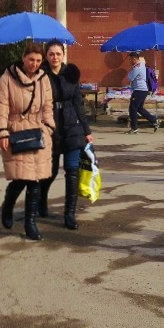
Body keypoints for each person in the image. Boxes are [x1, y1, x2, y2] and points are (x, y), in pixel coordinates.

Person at [0, 44, 55, 240]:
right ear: (23, 57)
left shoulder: (43, 79)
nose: (34, 64)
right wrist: (2, 132)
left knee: (35, 179)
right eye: (31, 60)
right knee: (20, 179)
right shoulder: (7, 78)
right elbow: (2, 107)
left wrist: (49, 128)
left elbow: (48, 106)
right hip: (16, 131)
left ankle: (30, 222)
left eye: (38, 61)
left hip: (38, 132)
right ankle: (8, 206)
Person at [41, 40, 94, 230]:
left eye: (58, 54)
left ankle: (69, 214)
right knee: (50, 171)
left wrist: (87, 131)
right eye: (51, 54)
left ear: (63, 55)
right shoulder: (41, 76)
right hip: (50, 128)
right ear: (46, 56)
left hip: (72, 128)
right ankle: (41, 200)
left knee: (72, 172)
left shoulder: (71, 75)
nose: (55, 57)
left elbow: (78, 103)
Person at [125, 51, 159, 134]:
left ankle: (134, 128)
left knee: (132, 108)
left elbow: (129, 78)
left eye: (130, 59)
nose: (129, 61)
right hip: (143, 90)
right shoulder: (142, 65)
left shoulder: (137, 68)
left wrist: (132, 69)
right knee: (139, 108)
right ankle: (154, 120)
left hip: (139, 90)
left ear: (134, 59)